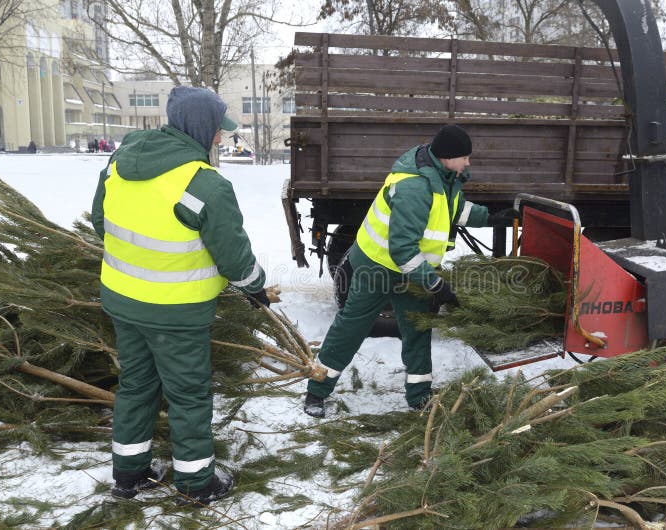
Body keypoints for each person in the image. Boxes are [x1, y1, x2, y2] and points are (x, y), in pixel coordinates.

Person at [91, 86, 271, 505]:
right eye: (216, 132)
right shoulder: (203, 183)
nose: (220, 140)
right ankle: (195, 484)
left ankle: (130, 474)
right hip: (176, 314)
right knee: (188, 396)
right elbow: (233, 254)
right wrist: (256, 287)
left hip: (121, 300)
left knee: (135, 386)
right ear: (200, 128)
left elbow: (101, 219)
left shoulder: (118, 164)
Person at [304, 125, 519, 417]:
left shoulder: (443, 176)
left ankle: (419, 396)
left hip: (411, 269)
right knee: (351, 328)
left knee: (417, 328)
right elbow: (402, 250)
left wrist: (492, 217)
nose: (468, 163)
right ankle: (316, 391)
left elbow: (452, 209)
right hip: (377, 266)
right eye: (465, 158)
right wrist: (434, 284)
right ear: (448, 157)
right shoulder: (415, 186)